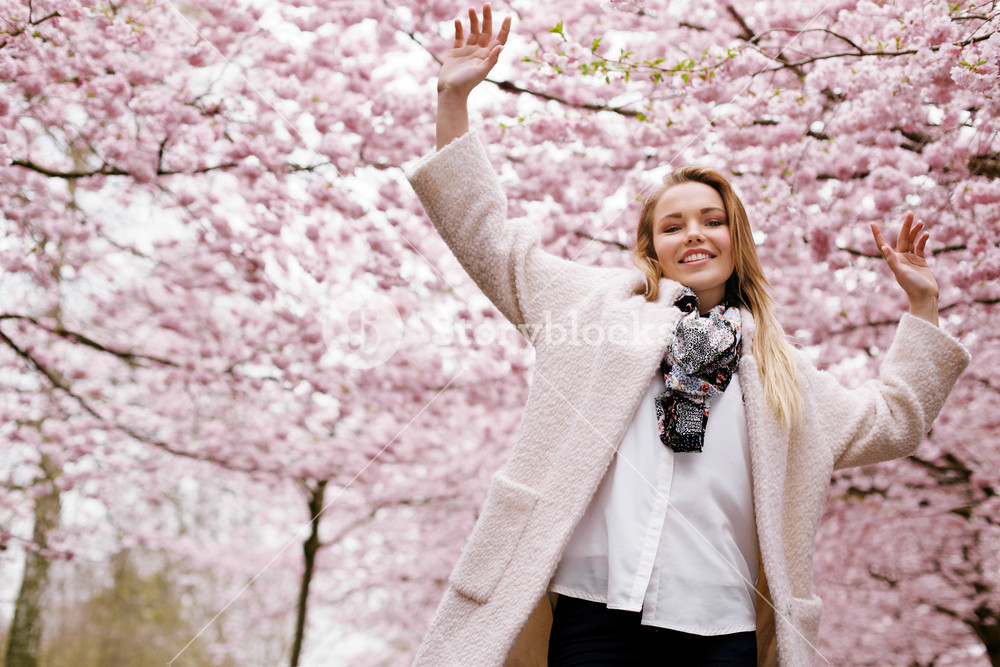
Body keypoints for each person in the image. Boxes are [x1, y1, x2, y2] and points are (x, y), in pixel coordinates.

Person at [406, 5, 971, 666]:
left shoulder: (780, 370)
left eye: (711, 220)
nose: (694, 234)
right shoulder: (594, 308)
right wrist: (454, 98)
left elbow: (893, 422)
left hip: (719, 622)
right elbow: (489, 241)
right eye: (673, 225)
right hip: (594, 611)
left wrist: (924, 305)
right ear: (652, 244)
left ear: (736, 239)